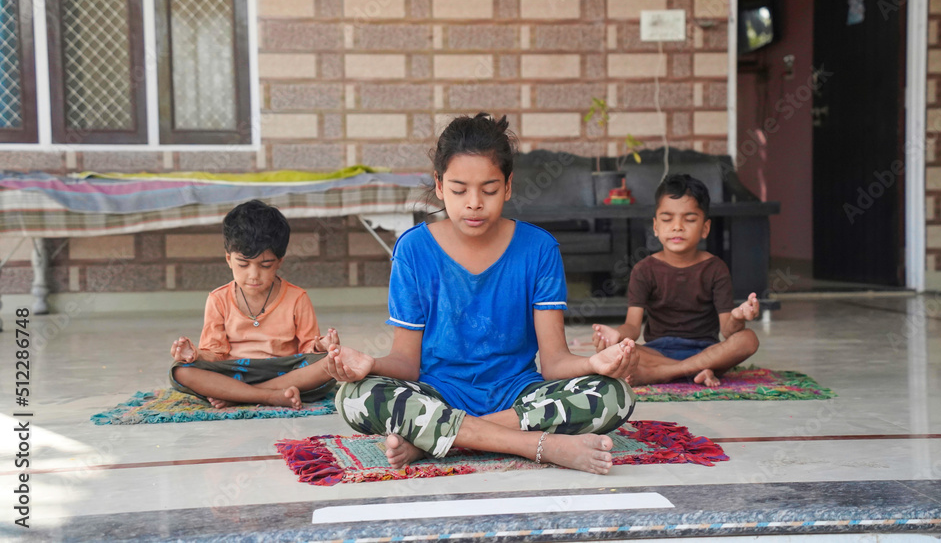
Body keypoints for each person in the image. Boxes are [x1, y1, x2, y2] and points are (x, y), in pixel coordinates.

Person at [326, 113, 637, 475]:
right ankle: (540, 445)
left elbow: (554, 364)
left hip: (516, 396)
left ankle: (435, 438)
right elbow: (406, 365)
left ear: (507, 187)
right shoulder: (413, 250)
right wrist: (371, 364)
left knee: (615, 395)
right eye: (459, 190)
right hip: (438, 395)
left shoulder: (539, 248)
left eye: (489, 190)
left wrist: (593, 365)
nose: (474, 203)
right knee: (352, 397)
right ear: (439, 186)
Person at [592, 174, 760, 387]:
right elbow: (632, 328)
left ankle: (663, 373)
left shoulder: (715, 268)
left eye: (689, 219)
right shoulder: (644, 270)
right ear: (655, 226)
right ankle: (695, 371)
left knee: (748, 339)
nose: (677, 226)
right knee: (614, 350)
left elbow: (728, 331)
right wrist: (616, 334)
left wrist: (737, 317)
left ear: (705, 228)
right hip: (657, 351)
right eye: (667, 219)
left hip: (706, 350)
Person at [169, 200, 339, 410]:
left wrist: (321, 346)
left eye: (265, 265)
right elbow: (216, 353)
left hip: (284, 370)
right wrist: (194, 354)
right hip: (234, 371)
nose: (253, 275)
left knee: (330, 364)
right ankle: (269, 395)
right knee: (180, 371)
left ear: (279, 262)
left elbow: (307, 351)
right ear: (229, 259)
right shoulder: (218, 299)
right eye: (243, 264)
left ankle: (237, 395)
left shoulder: (297, 298)